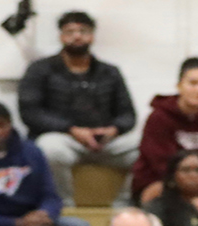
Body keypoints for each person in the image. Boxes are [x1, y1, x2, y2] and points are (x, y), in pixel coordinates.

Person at [18, 11, 138, 207]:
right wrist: (71, 129)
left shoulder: (110, 72)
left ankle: (124, 204)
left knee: (146, 146)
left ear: (92, 35)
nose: (77, 36)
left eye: (83, 31)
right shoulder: (40, 69)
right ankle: (63, 205)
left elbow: (128, 114)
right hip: (64, 139)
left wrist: (113, 130)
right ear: (61, 36)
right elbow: (30, 112)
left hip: (105, 141)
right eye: (70, 31)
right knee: (49, 149)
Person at [130, 58, 198, 205]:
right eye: (193, 83)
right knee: (157, 190)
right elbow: (160, 165)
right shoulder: (158, 118)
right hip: (163, 184)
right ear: (179, 86)